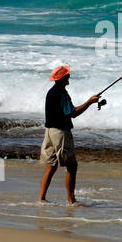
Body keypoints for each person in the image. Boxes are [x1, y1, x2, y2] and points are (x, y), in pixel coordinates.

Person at [38, 65, 101, 205]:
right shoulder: (61, 93)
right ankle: (71, 201)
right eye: (67, 75)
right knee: (72, 166)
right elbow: (73, 113)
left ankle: (41, 199)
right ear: (62, 78)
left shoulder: (51, 92)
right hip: (60, 133)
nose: (69, 77)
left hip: (49, 132)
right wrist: (89, 102)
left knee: (51, 166)